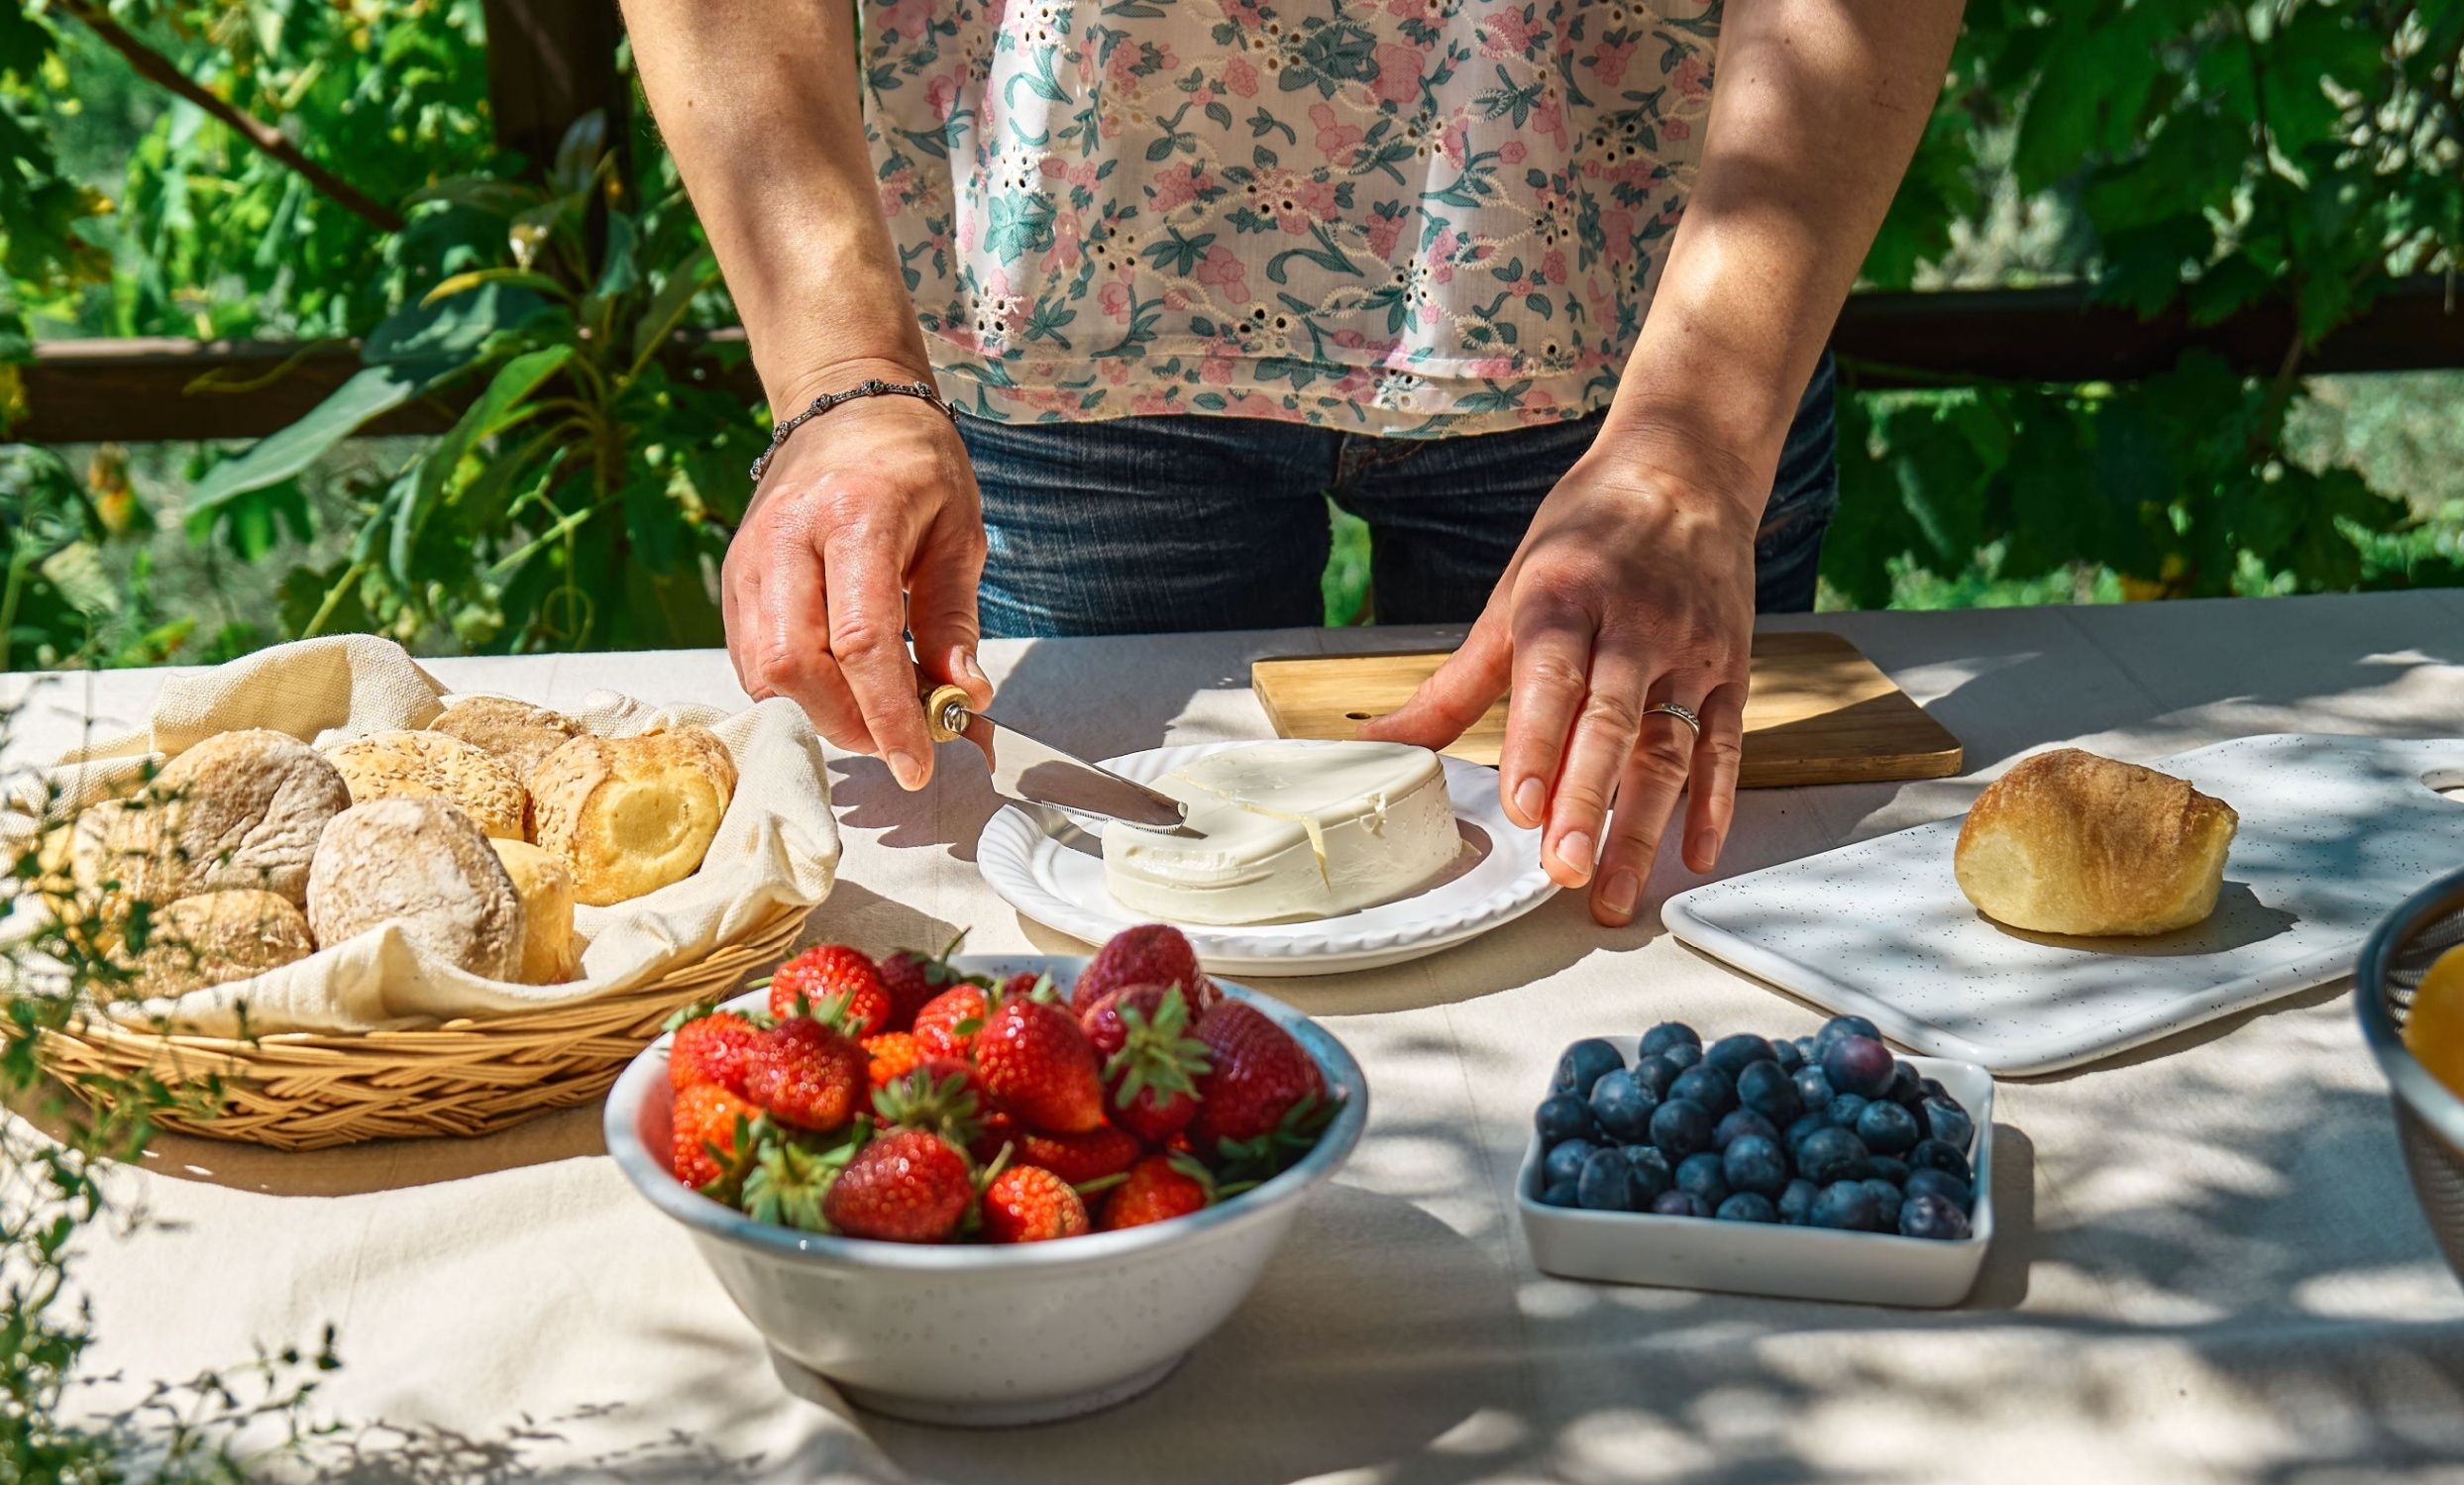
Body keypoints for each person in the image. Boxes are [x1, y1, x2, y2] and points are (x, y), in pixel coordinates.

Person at [623, 0, 1964, 924]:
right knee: (1093, 957)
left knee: (1639, 951)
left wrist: (1699, 438)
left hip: (1649, 327)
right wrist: (837, 376)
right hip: (1055, 318)